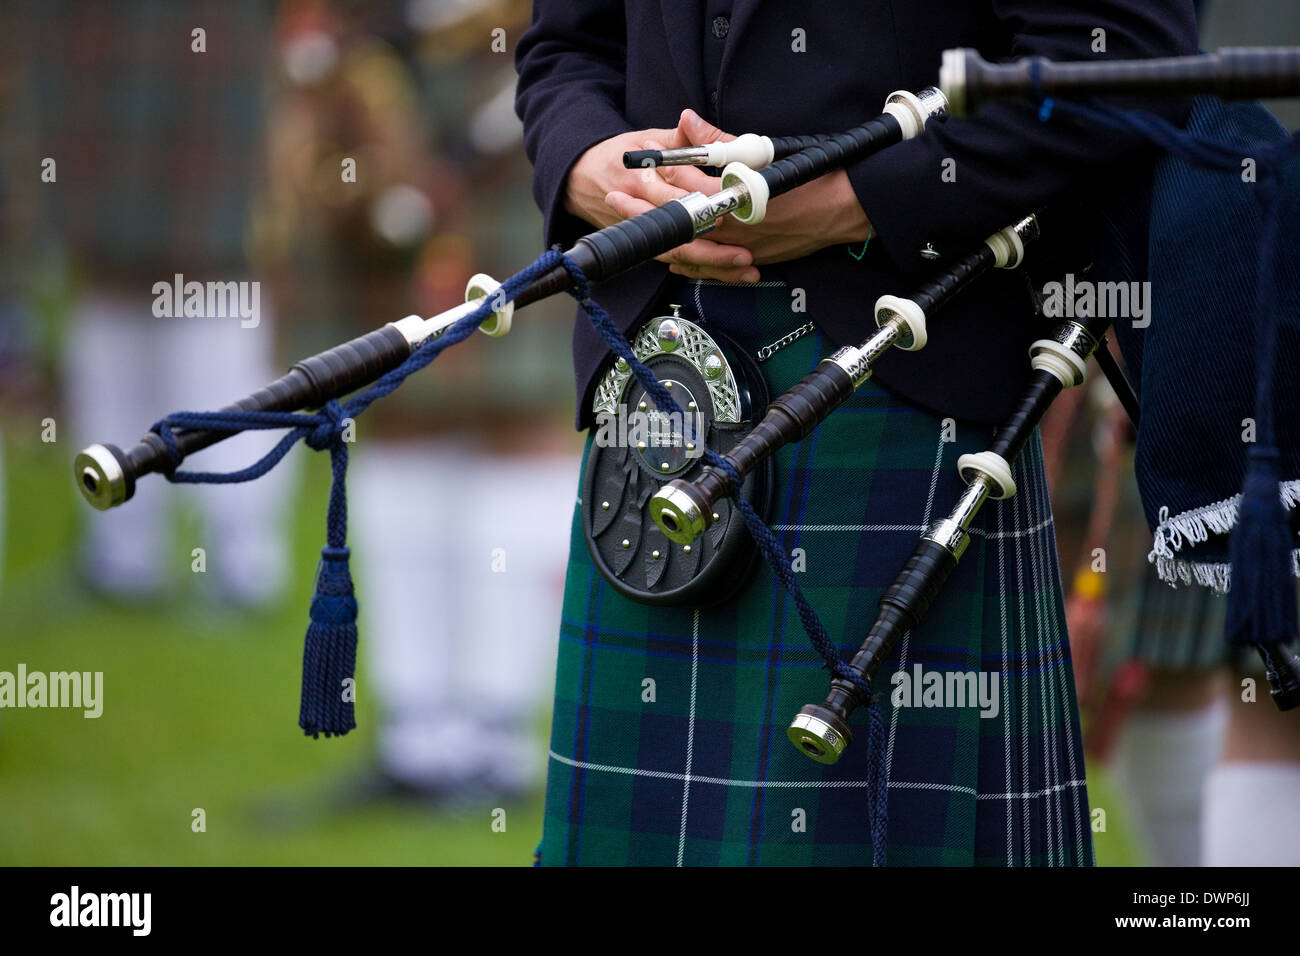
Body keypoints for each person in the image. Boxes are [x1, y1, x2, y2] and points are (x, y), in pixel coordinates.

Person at [515, 1, 1198, 865]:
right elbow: (567, 47)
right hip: (654, 394)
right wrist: (589, 166)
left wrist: (854, 201)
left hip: (905, 379)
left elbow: (1123, 53)